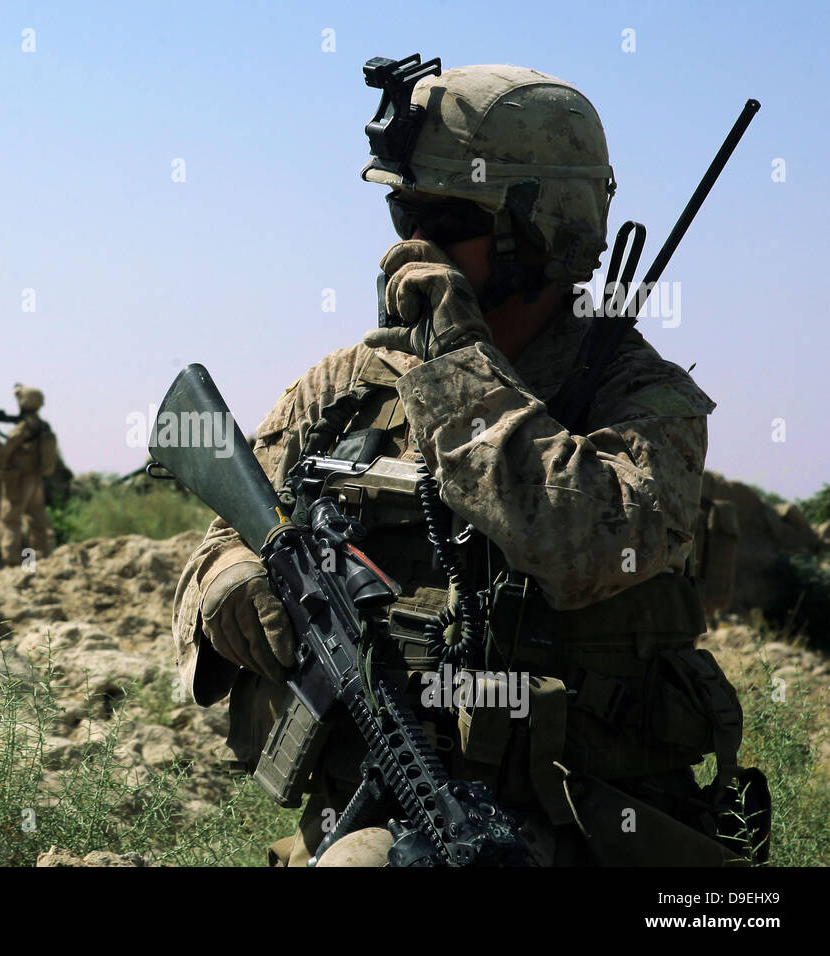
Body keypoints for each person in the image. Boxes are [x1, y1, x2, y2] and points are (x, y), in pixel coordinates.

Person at [171, 62, 763, 866]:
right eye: (402, 210)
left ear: (541, 227)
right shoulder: (346, 388)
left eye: (445, 219)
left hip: (592, 825)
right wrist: (229, 578)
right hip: (377, 811)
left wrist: (458, 366)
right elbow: (221, 537)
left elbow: (591, 544)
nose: (409, 245)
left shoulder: (642, 398)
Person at [0, 384, 56, 566]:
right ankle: (43, 557)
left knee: (10, 520)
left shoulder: (22, 428)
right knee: (38, 520)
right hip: (37, 480)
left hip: (18, 481)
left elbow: (2, 454)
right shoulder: (43, 426)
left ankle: (12, 561)